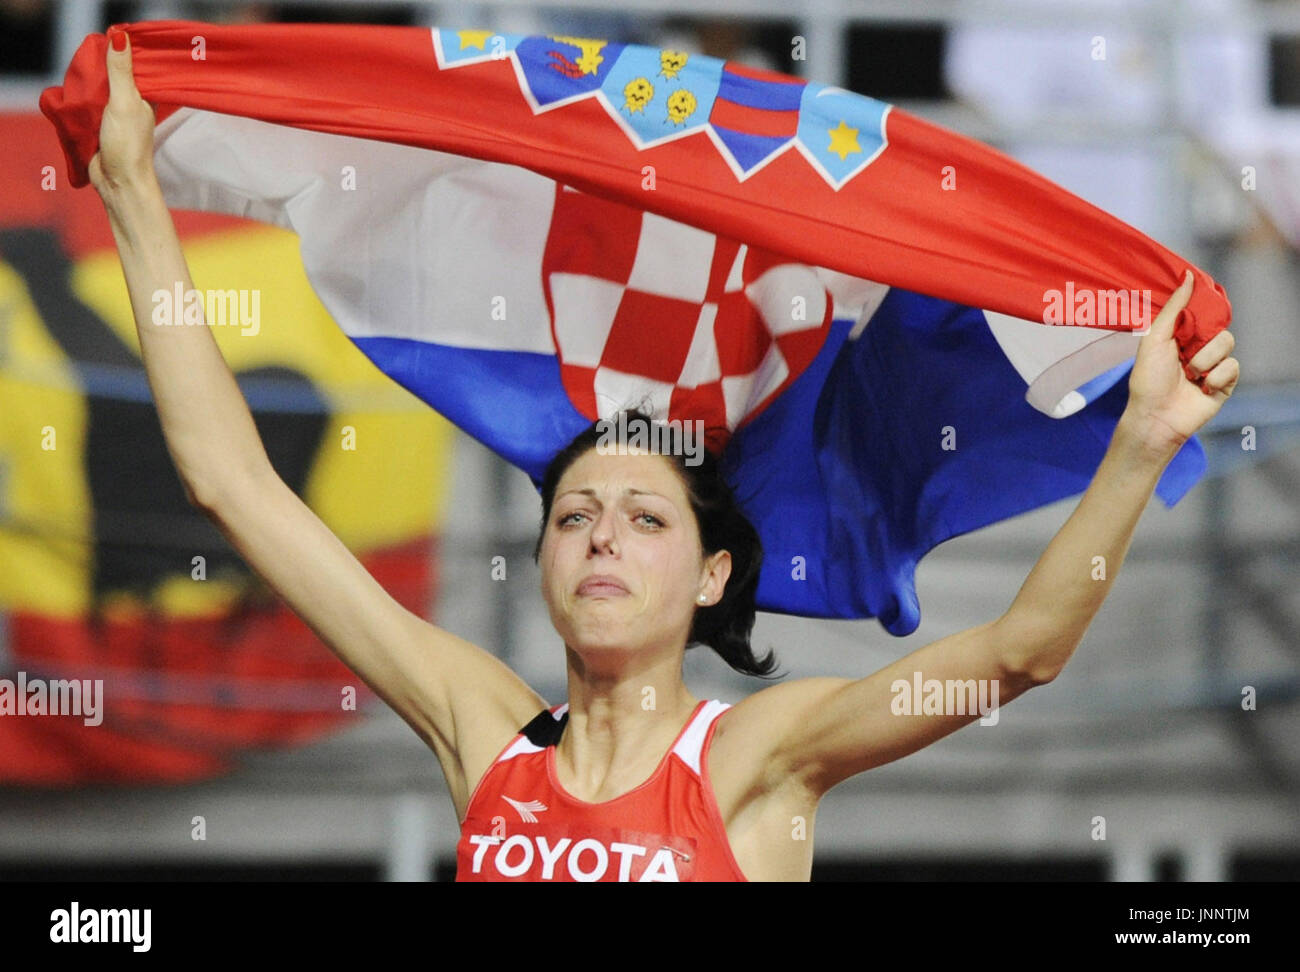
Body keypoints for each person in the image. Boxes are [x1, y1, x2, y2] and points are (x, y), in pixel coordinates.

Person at [89, 28, 1239, 881]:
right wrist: (138, 196)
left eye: (646, 521)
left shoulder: (759, 756)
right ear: (539, 561)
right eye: (577, 516)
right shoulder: (480, 727)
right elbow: (231, 484)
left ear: (711, 576)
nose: (600, 536)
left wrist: (1137, 444)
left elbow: (1019, 655)